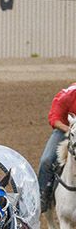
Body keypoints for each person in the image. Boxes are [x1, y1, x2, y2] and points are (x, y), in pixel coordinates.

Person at [37, 83, 76, 212]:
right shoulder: (67, 96)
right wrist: (69, 130)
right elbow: (55, 118)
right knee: (47, 160)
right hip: (65, 130)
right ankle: (43, 196)